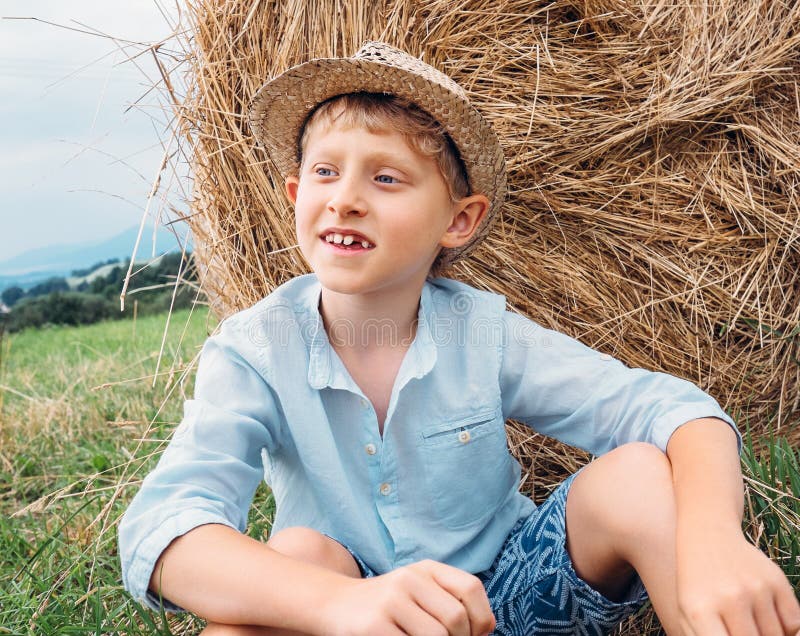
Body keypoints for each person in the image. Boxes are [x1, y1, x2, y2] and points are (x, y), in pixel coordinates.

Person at [119, 42, 800, 636]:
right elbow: (162, 527)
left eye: (386, 178)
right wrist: (340, 606)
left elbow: (676, 411)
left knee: (641, 475)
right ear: (296, 192)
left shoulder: (482, 331)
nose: (345, 197)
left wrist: (714, 539)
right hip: (352, 614)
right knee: (300, 553)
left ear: (460, 221)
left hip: (508, 596)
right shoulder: (254, 350)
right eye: (325, 172)